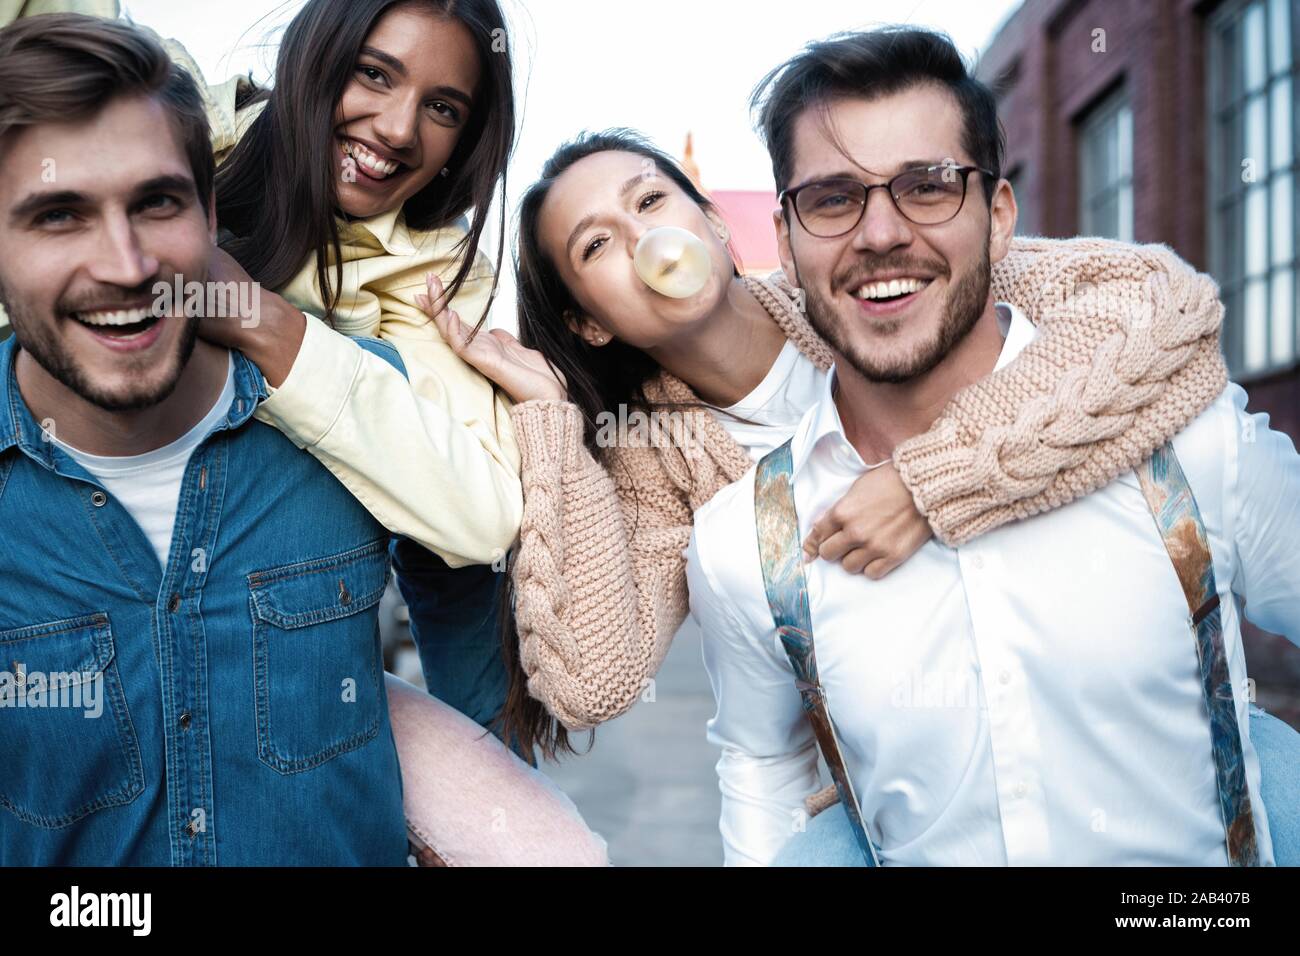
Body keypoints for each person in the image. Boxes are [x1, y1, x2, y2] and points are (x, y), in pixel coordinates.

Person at [682, 27, 1300, 865]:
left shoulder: (1184, 436)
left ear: (999, 217)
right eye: (833, 199)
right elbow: (761, 765)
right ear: (786, 244)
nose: (879, 234)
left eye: (928, 186)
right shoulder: (742, 542)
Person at [0, 13, 606, 866]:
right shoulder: (204, 137)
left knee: (463, 586)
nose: (398, 130)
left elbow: (476, 518)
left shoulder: (422, 277)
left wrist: (267, 327)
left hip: (322, 538)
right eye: (374, 75)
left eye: (444, 108)